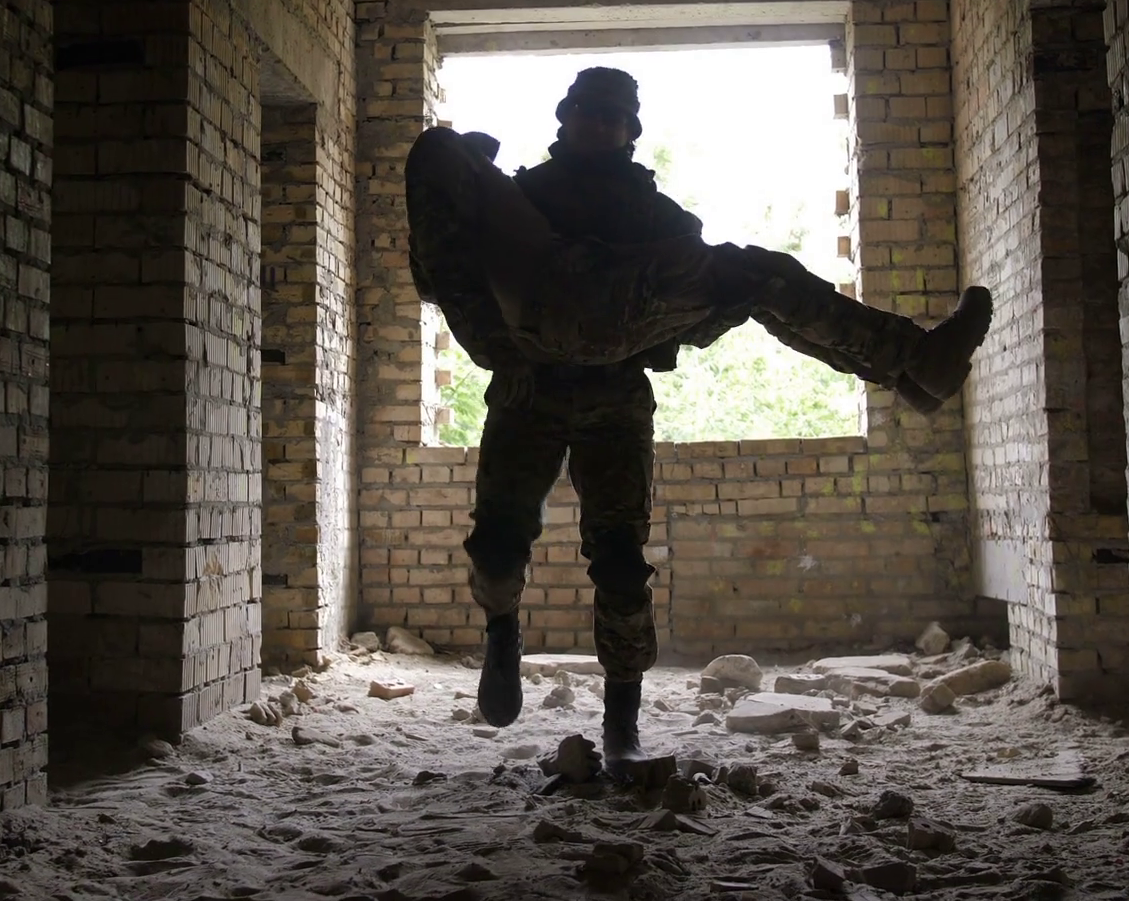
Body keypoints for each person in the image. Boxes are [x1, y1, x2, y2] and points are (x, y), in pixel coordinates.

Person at [404, 67, 992, 776]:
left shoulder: (657, 215)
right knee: (497, 551)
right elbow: (451, 272)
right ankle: (502, 632)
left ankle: (622, 721)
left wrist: (656, 321)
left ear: (629, 132)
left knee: (621, 567)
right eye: (589, 114)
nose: (599, 127)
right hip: (529, 385)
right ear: (565, 120)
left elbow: (683, 320)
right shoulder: (521, 196)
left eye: (613, 118)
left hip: (613, 397)